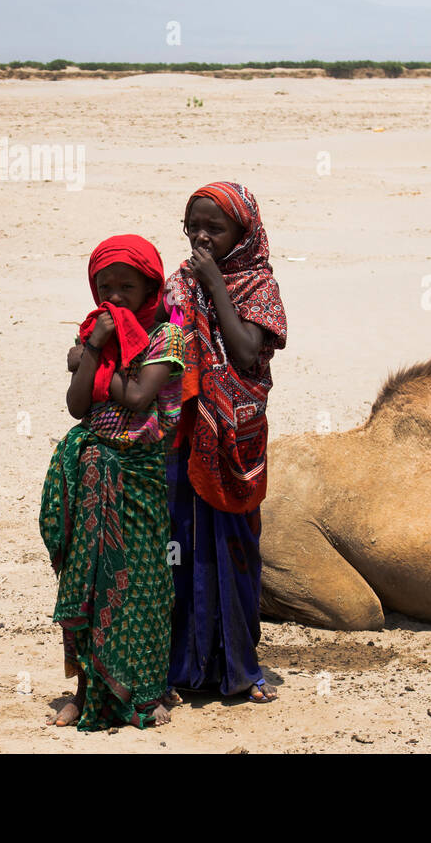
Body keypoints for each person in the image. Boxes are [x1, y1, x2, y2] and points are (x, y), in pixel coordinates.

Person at [40, 234, 184, 729]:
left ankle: (142, 693)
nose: (116, 296)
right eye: (106, 286)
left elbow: (141, 396)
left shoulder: (168, 339)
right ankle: (86, 690)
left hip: (140, 472)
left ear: (151, 287)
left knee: (144, 583)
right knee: (90, 584)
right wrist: (94, 349)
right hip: (94, 470)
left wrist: (93, 361)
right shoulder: (93, 337)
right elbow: (78, 406)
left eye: (128, 286)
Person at [162, 182, 287, 704]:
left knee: (233, 553)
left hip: (235, 445)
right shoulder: (179, 283)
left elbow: (243, 351)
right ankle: (182, 668)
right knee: (179, 551)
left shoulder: (259, 286)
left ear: (244, 232)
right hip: (187, 440)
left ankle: (240, 668)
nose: (201, 237)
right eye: (194, 226)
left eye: (215, 227)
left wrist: (213, 284)